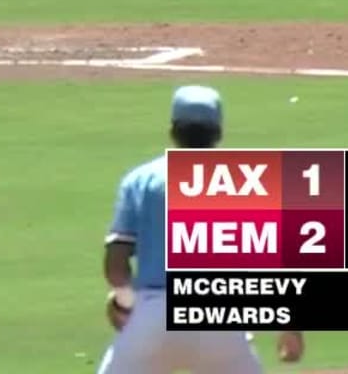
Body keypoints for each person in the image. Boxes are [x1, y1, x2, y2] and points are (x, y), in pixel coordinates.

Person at [96, 85, 306, 373]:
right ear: (218, 132)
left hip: (154, 317)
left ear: (173, 129)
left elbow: (115, 266)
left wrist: (127, 303)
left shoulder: (140, 180)